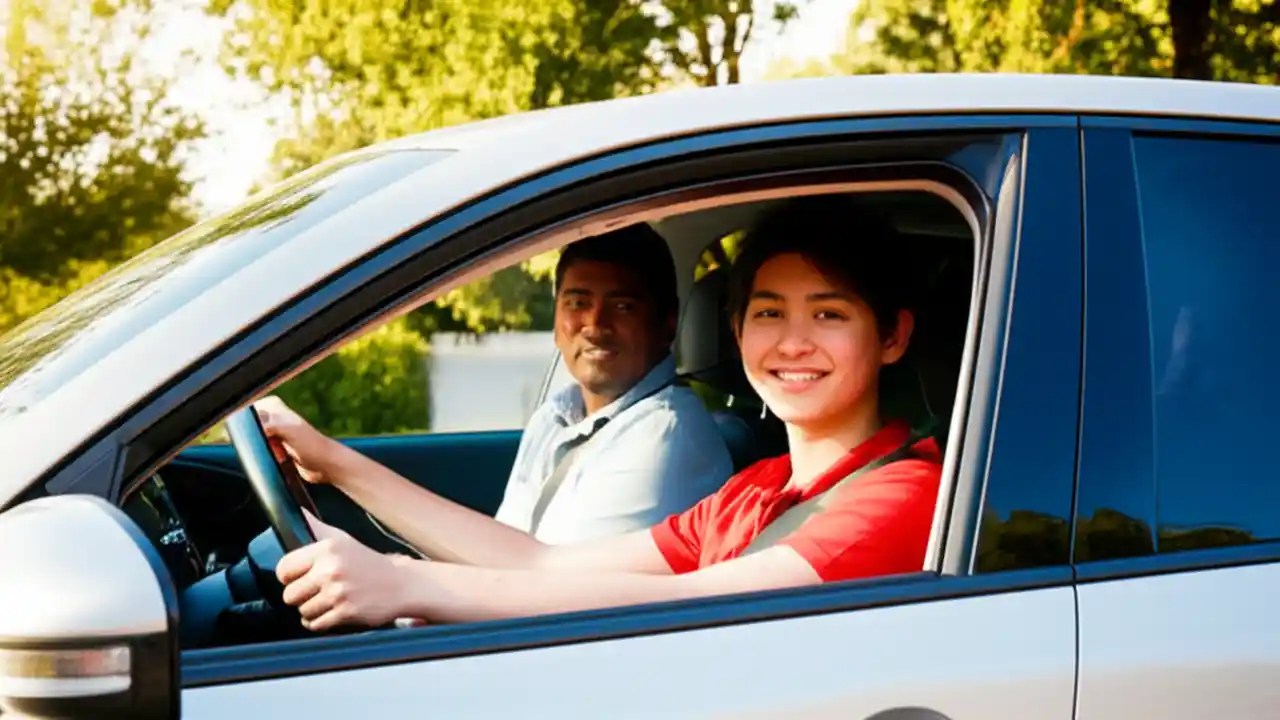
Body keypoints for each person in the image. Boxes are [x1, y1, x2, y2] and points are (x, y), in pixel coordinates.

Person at [260, 198, 944, 631]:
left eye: (829, 314)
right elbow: (543, 566)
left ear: (892, 336)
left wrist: (405, 582)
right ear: (736, 334)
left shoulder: (904, 495)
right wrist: (334, 462)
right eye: (769, 313)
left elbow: (699, 607)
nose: (792, 342)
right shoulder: (758, 489)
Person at [265, 223, 734, 546]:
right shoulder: (560, 415)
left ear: (667, 323)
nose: (594, 323)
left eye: (623, 306)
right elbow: (503, 550)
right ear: (556, 320)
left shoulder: (667, 436)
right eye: (577, 302)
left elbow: (534, 582)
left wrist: (336, 465)